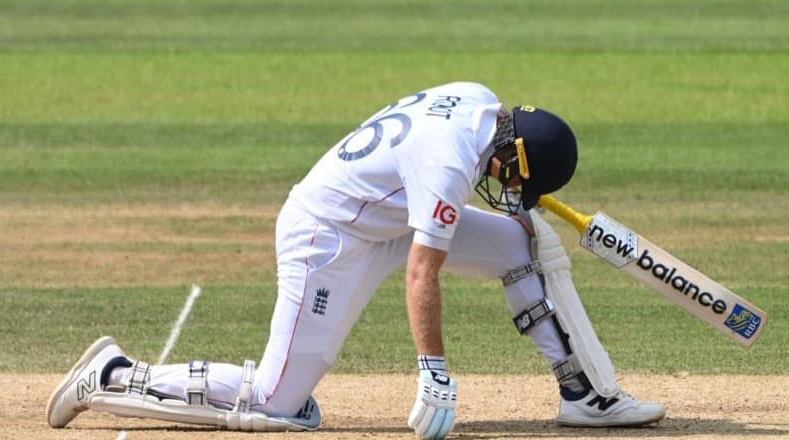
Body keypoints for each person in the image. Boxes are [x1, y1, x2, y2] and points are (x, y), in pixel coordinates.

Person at [46, 81, 665, 437]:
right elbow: (423, 271)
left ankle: (582, 391)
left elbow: (434, 221)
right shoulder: (449, 164)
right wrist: (434, 371)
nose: (504, 185)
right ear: (511, 149)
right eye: (513, 177)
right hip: (328, 237)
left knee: (517, 241)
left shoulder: (478, 100)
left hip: (385, 216)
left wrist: (519, 207)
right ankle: (114, 375)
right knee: (275, 404)